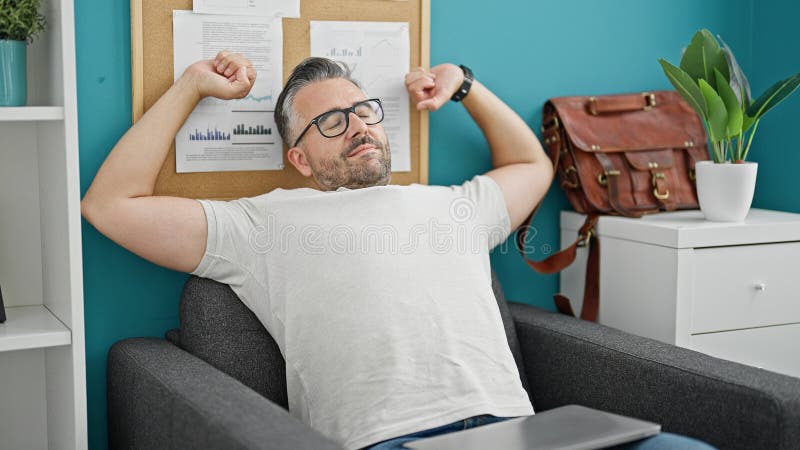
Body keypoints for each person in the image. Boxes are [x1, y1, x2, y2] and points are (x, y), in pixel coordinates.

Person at [81, 51, 715, 450]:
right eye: (332, 121)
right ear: (299, 159)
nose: (358, 125)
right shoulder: (262, 225)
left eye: (364, 110)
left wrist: (465, 85)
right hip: (390, 441)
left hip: (523, 433)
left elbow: (531, 163)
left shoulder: (450, 204)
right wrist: (191, 85)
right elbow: (109, 206)